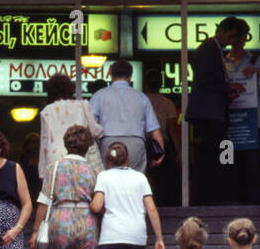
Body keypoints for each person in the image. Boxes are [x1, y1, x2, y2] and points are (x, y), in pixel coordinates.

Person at [220, 16, 260, 205]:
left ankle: (254, 207)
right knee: (228, 166)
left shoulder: (258, 60)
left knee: (253, 170)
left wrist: (259, 75)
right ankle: (231, 203)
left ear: (246, 37)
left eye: (241, 37)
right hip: (229, 128)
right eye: (234, 37)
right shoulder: (222, 62)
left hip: (252, 127)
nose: (237, 41)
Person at [186, 21, 245, 205]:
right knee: (214, 154)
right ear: (221, 31)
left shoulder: (212, 48)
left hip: (212, 111)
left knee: (214, 153)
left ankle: (213, 193)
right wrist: (228, 87)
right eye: (230, 36)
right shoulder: (209, 49)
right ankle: (212, 194)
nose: (232, 41)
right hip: (209, 113)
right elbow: (205, 78)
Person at [90, 59, 164, 174]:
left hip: (108, 144)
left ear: (110, 74)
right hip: (136, 145)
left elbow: (90, 125)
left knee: (108, 182)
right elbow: (155, 131)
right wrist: (160, 153)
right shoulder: (141, 97)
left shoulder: (99, 95)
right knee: (135, 183)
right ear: (130, 76)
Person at [38, 73, 103, 181]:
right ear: (70, 89)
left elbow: (44, 142)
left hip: (56, 157)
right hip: (81, 153)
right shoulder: (83, 105)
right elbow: (96, 131)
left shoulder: (47, 111)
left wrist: (42, 172)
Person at [143, 66, 182, 204]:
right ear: (161, 85)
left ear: (145, 84)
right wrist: (178, 152)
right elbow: (172, 131)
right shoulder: (167, 103)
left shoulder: (141, 100)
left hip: (143, 142)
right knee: (163, 179)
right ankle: (162, 203)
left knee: (145, 177)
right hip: (161, 144)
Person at [19, 132, 42, 205]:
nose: (36, 145)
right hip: (27, 198)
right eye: (33, 142)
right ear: (27, 145)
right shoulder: (23, 163)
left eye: (38, 142)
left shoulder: (45, 161)